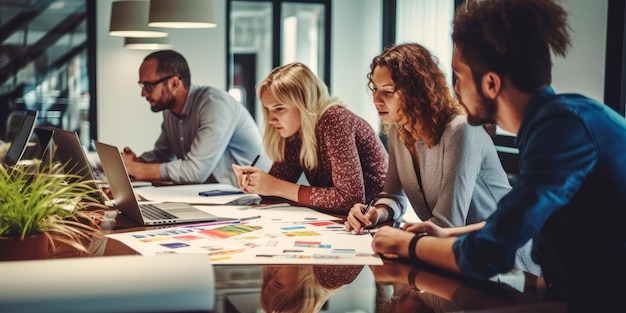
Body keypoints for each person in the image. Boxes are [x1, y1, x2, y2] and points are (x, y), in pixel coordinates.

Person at [371, 0, 626, 310]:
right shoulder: (552, 124)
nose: (455, 89)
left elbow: (489, 253)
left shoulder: (561, 130)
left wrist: (408, 245)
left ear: (490, 83)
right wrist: (444, 232)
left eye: (459, 76)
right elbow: (517, 218)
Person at [344, 43, 539, 275]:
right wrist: (375, 213)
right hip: (449, 257)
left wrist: (397, 238)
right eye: (374, 89)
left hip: (506, 264)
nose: (377, 99)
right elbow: (392, 196)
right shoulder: (398, 132)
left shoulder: (461, 130)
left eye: (388, 91)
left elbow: (448, 222)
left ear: (416, 91)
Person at [232, 62, 388, 214]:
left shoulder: (334, 120)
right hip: (345, 221)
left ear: (304, 104)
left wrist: (276, 186)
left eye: (279, 108)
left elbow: (350, 199)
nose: (271, 119)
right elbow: (274, 191)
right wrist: (256, 182)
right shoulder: (297, 131)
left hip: (377, 221)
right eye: (267, 109)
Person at [121, 50, 269, 186]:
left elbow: (195, 171)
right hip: (210, 196)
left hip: (248, 198)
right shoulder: (170, 112)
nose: (144, 94)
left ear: (174, 83)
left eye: (148, 86)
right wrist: (136, 162)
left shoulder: (214, 104)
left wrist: (138, 170)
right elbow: (163, 155)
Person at [260, 265, 363, 313]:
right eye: (278, 284)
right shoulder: (331, 276)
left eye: (267, 278)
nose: (272, 271)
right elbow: (362, 229)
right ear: (301, 291)